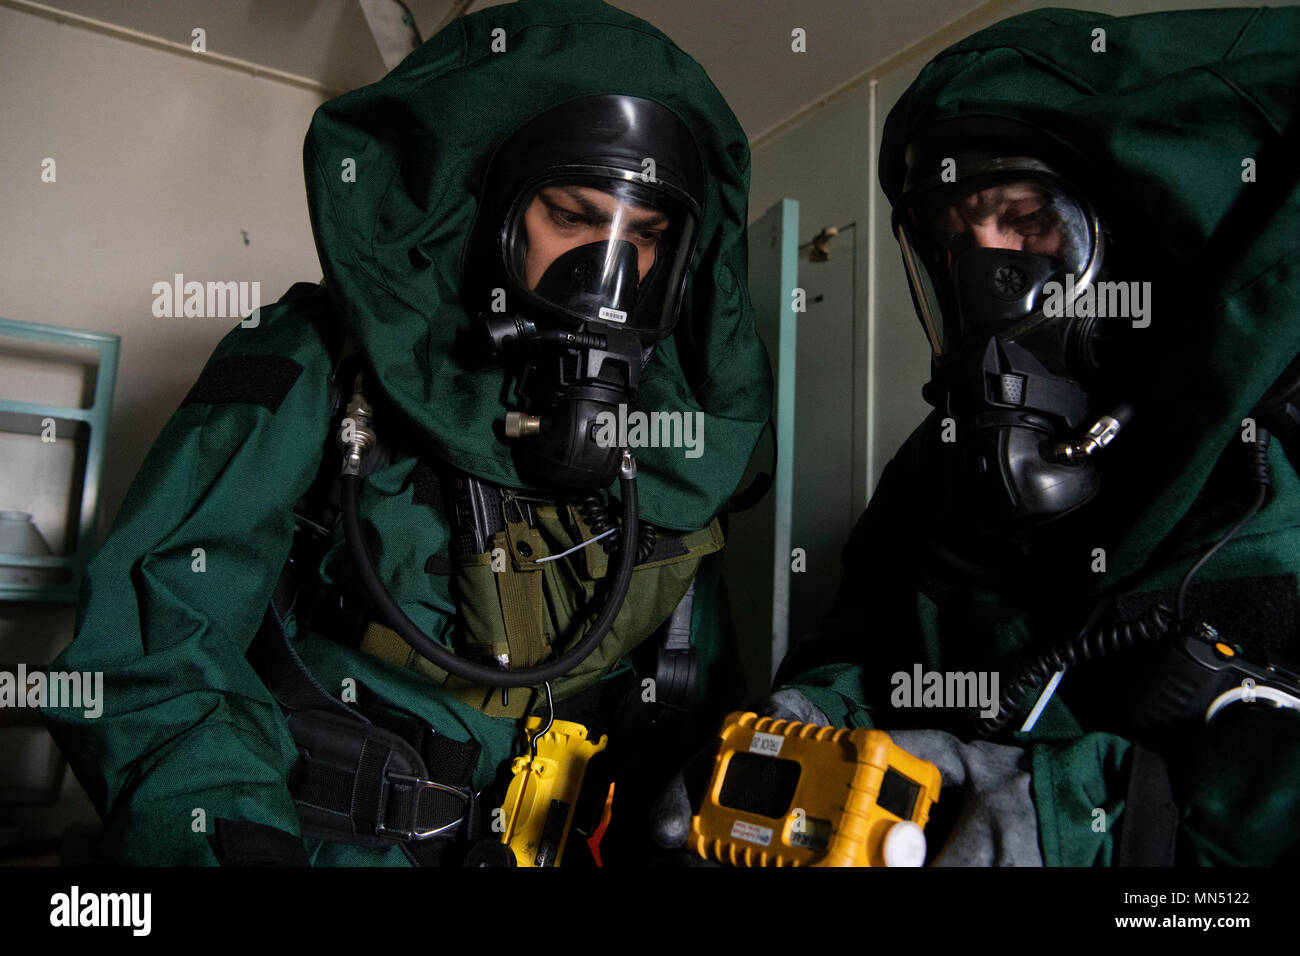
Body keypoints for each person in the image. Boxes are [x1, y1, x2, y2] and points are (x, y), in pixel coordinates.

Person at [43, 0, 770, 867]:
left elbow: (694, 703)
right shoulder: (319, 357)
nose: (611, 269)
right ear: (490, 213)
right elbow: (154, 643)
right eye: (572, 218)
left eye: (645, 237)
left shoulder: (675, 445)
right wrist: (225, 837)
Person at [724, 6, 1300, 866]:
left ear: (1127, 232)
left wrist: (1095, 826)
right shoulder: (936, 470)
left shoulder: (1272, 441)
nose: (989, 279)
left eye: (1027, 223)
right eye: (954, 243)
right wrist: (809, 722)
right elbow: (864, 651)